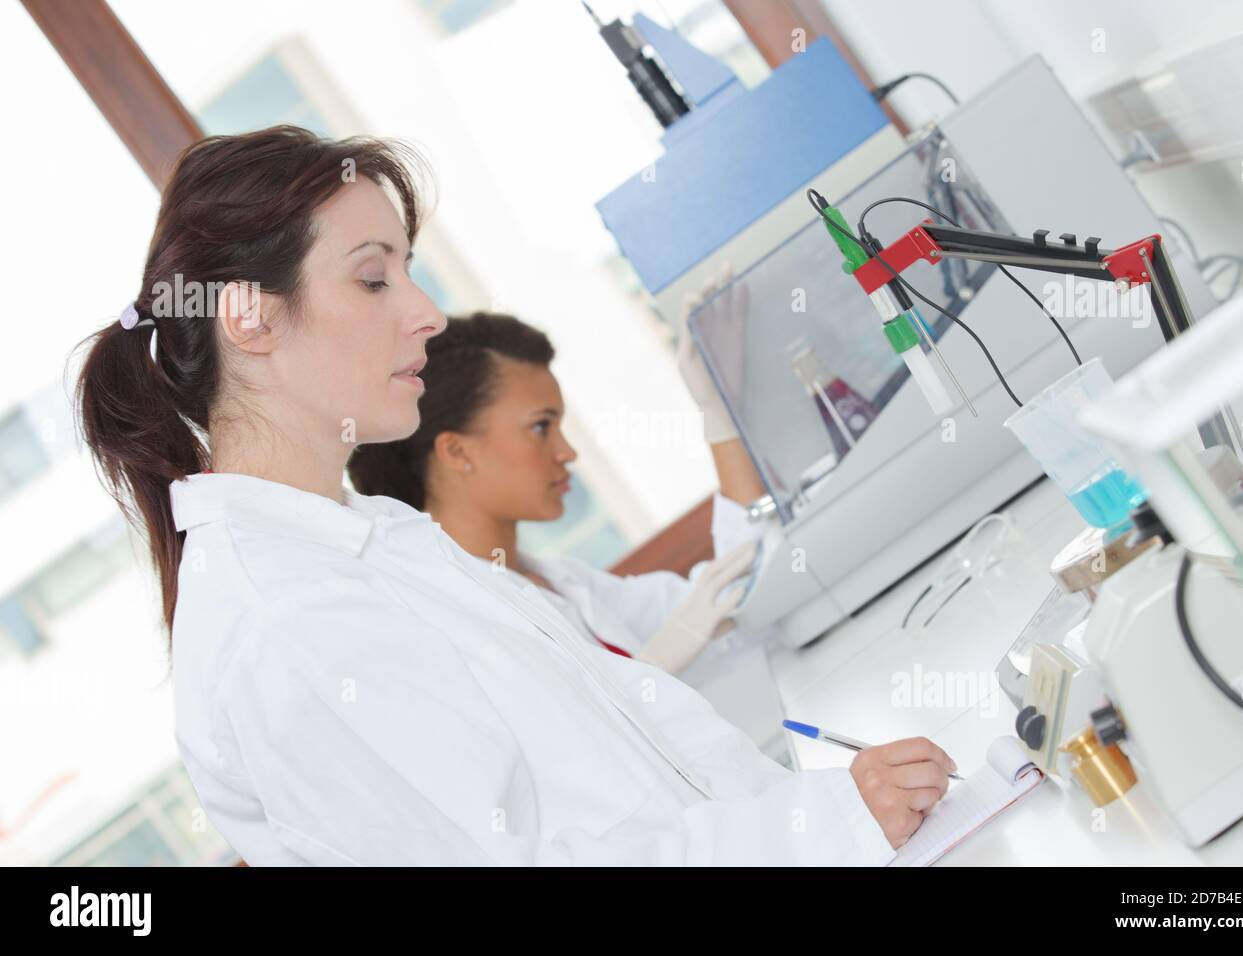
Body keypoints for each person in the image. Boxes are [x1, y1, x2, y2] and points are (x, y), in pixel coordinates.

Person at [75, 124, 956, 865]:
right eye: (374, 278)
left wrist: (822, 816)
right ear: (250, 318)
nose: (424, 312)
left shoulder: (373, 537)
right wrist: (825, 826)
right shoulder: (287, 625)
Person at [345, 311, 761, 676]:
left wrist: (719, 414)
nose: (568, 452)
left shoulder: (562, 581)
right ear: (457, 451)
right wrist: (649, 671)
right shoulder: (455, 620)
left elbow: (732, 598)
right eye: (541, 427)